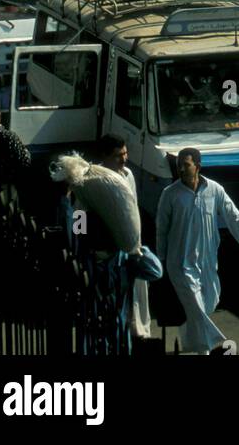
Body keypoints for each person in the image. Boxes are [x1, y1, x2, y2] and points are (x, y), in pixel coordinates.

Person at [156, 147, 239, 356]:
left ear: (198, 166)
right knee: (195, 306)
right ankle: (218, 346)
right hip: (180, 263)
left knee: (205, 306)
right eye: (179, 165)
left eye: (185, 165)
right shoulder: (170, 194)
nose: (181, 169)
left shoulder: (215, 190)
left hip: (208, 261)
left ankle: (191, 345)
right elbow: (161, 229)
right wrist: (161, 259)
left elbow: (234, 217)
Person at [97, 133, 152, 344]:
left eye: (125, 153)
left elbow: (133, 209)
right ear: (105, 156)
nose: (124, 159)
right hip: (106, 249)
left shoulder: (128, 175)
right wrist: (81, 239)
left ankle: (137, 333)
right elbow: (79, 214)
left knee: (136, 294)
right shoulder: (92, 178)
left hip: (130, 245)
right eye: (118, 155)